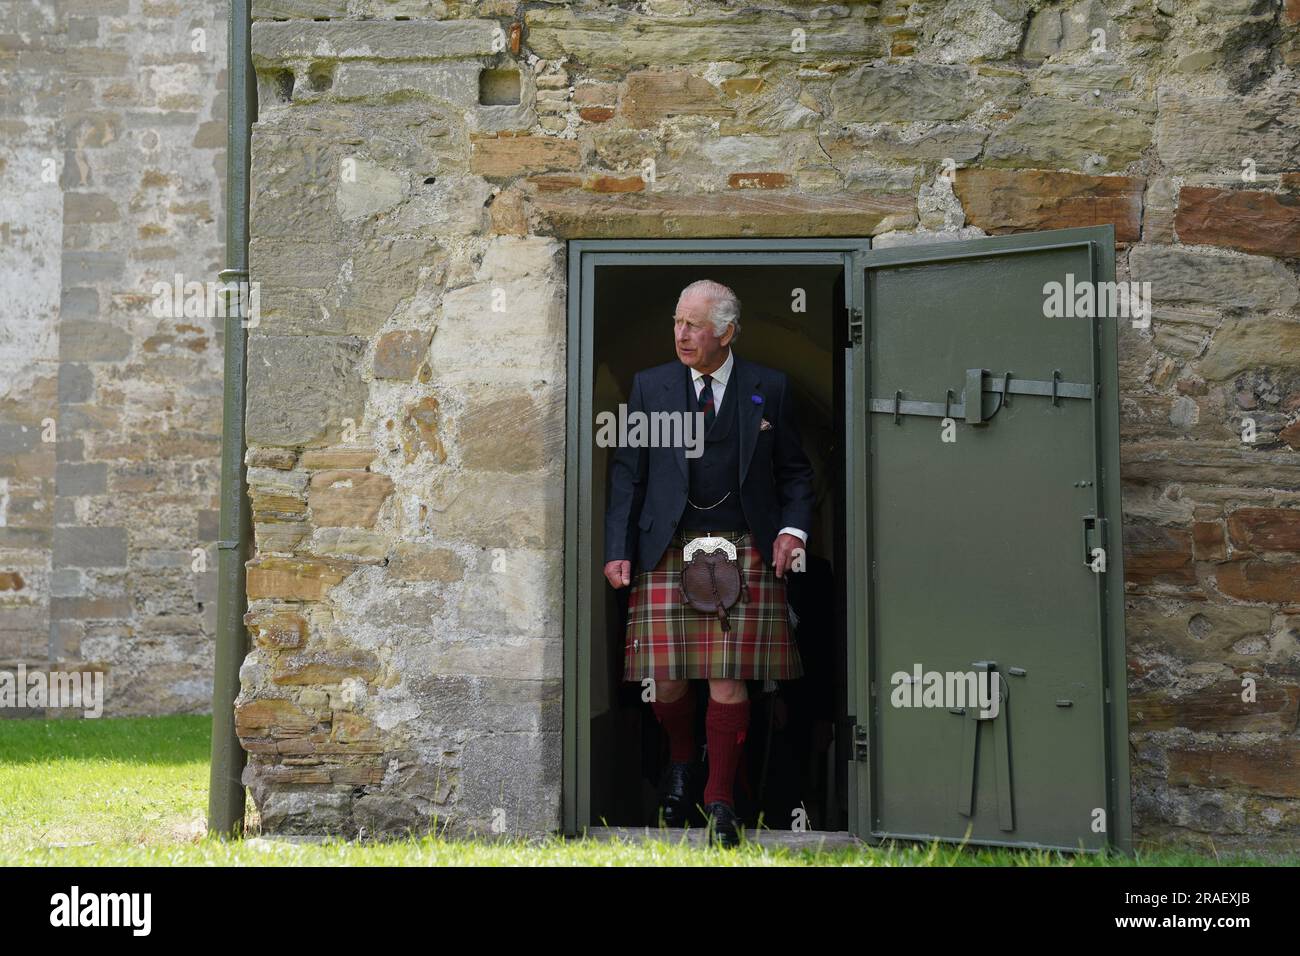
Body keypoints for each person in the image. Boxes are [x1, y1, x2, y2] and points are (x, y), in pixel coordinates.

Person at [603, 278, 816, 848]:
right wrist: (618, 548)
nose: (681, 333)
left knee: (727, 677)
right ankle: (680, 761)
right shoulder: (651, 387)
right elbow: (630, 473)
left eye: (694, 324)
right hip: (667, 547)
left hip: (743, 544)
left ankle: (720, 801)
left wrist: (793, 531)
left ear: (726, 332)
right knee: (668, 681)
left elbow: (795, 472)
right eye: (677, 322)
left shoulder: (769, 388)